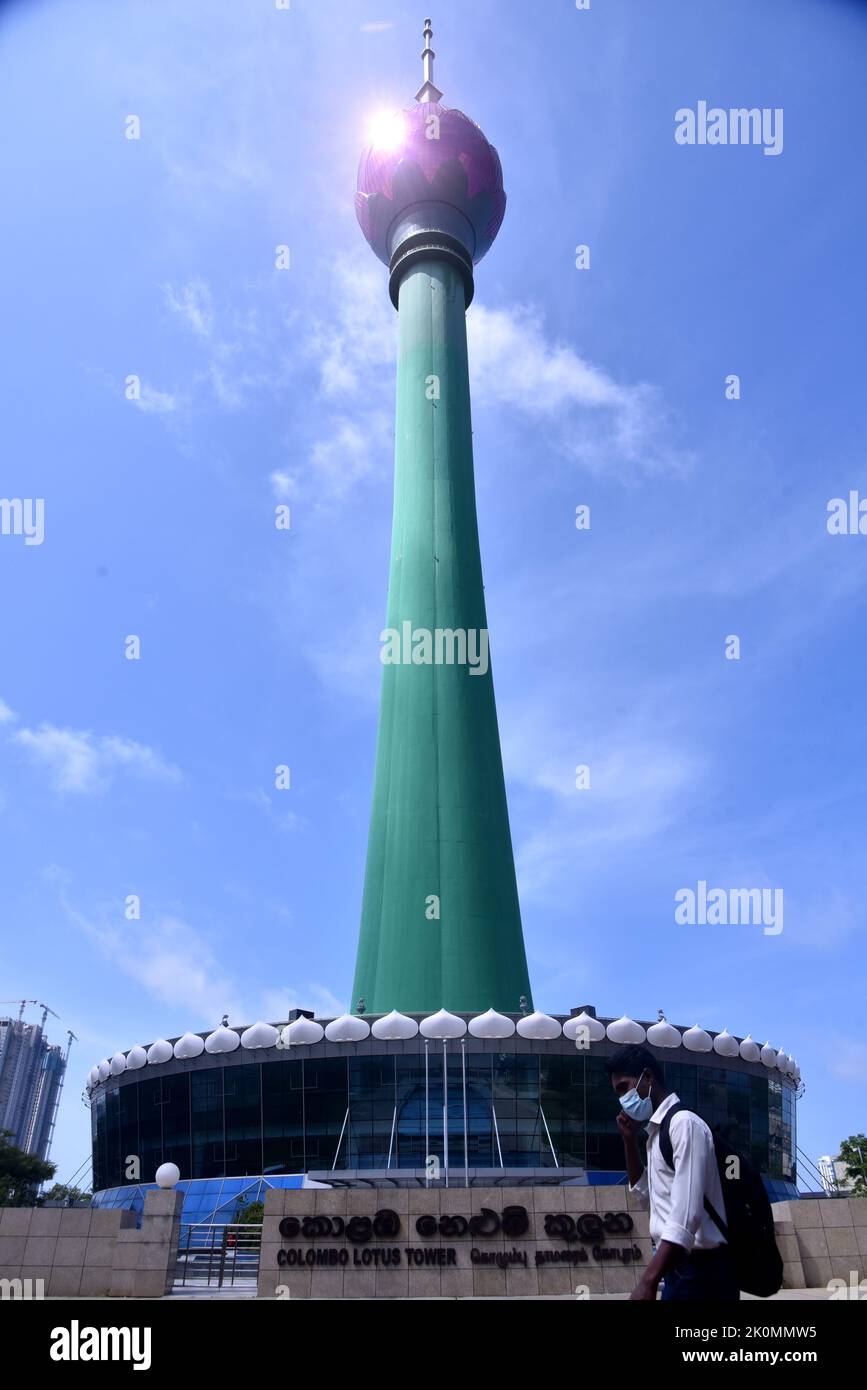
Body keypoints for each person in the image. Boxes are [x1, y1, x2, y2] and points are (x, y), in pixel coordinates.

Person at [606, 1044, 739, 1302]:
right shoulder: (655, 1135)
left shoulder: (683, 1124)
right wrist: (628, 1140)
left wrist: (648, 1281)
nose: (622, 1099)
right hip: (677, 1272)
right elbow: (645, 1196)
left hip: (703, 1275)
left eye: (624, 1087)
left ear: (648, 1078)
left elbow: (686, 1215)